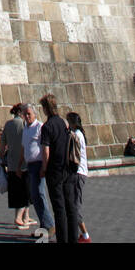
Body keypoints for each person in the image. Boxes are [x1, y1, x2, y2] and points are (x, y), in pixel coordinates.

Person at [39, 93, 78, 245]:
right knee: (70, 206)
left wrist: (44, 168)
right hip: (68, 168)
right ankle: (73, 238)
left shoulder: (47, 127)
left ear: (45, 109)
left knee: (59, 208)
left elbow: (46, 151)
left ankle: (63, 239)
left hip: (54, 171)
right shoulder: (63, 123)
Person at [22, 102, 54, 238]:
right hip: (30, 165)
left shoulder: (40, 127)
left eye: (29, 114)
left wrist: (44, 167)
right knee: (34, 196)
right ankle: (44, 225)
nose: (27, 116)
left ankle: (50, 225)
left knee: (39, 194)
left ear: (35, 114)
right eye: (25, 114)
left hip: (38, 164)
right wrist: (19, 166)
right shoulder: (25, 129)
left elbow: (45, 147)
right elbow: (24, 148)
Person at [1, 103, 30, 228]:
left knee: (16, 191)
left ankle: (26, 217)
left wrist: (2, 158)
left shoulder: (8, 125)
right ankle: (18, 217)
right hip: (24, 163)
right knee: (26, 192)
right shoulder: (24, 125)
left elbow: (2, 144)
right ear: (20, 113)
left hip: (11, 163)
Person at [66, 111, 90, 243]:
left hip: (78, 173)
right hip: (81, 172)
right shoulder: (79, 135)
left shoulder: (76, 136)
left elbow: (74, 157)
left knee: (75, 206)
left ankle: (85, 236)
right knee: (74, 204)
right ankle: (76, 234)